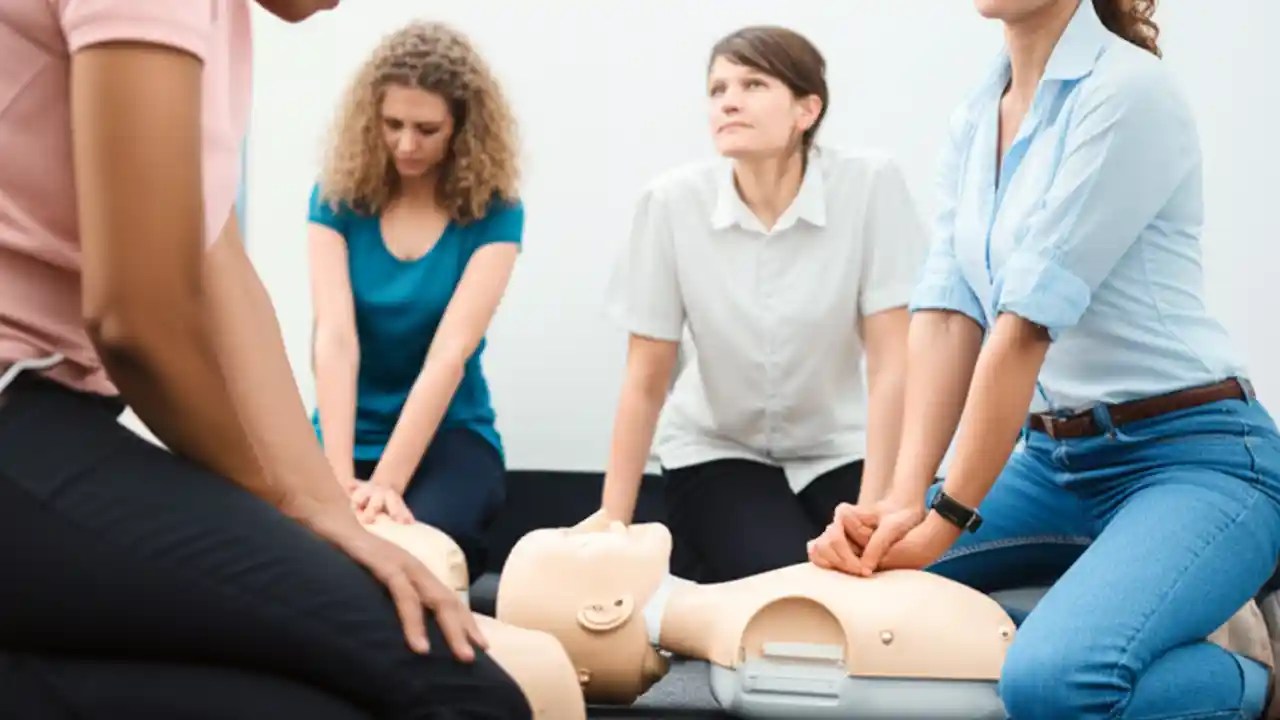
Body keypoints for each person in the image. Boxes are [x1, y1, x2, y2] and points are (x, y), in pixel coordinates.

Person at [0, 2, 530, 718]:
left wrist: (325, 510)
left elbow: (225, 280)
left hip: (53, 421)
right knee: (458, 693)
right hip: (20, 418)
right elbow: (139, 321)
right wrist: (292, 508)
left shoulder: (217, 31)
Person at [808, 1, 1280, 718]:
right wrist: (904, 503)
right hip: (1049, 462)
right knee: (836, 607)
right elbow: (945, 315)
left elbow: (1022, 330)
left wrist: (946, 517)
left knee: (1054, 683)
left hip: (1197, 458)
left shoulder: (1128, 93)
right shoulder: (976, 114)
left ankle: (1254, 681)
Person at [596, 25, 929, 584]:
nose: (728, 100)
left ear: (806, 109)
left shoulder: (871, 185)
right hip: (717, 448)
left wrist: (872, 513)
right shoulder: (671, 204)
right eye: (717, 88)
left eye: (752, 84)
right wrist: (612, 522)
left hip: (839, 445)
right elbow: (646, 378)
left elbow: (894, 363)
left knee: (883, 572)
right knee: (792, 581)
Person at [307, 20, 524, 584]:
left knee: (416, 556)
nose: (406, 144)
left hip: (449, 437)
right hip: (341, 431)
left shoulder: (496, 211)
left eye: (427, 129)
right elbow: (334, 337)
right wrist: (337, 480)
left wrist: (386, 486)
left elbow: (448, 355)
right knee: (307, 555)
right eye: (392, 125)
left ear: (461, 128)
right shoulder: (336, 200)